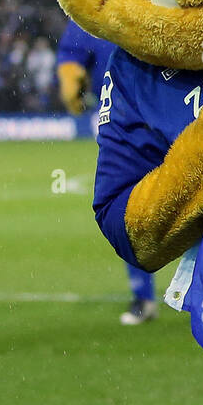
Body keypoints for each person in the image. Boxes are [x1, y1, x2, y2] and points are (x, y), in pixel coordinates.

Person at [56, 18, 157, 324]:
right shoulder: (97, 12)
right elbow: (71, 53)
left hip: (173, 107)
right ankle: (144, 297)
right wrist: (71, 78)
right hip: (123, 121)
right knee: (129, 210)